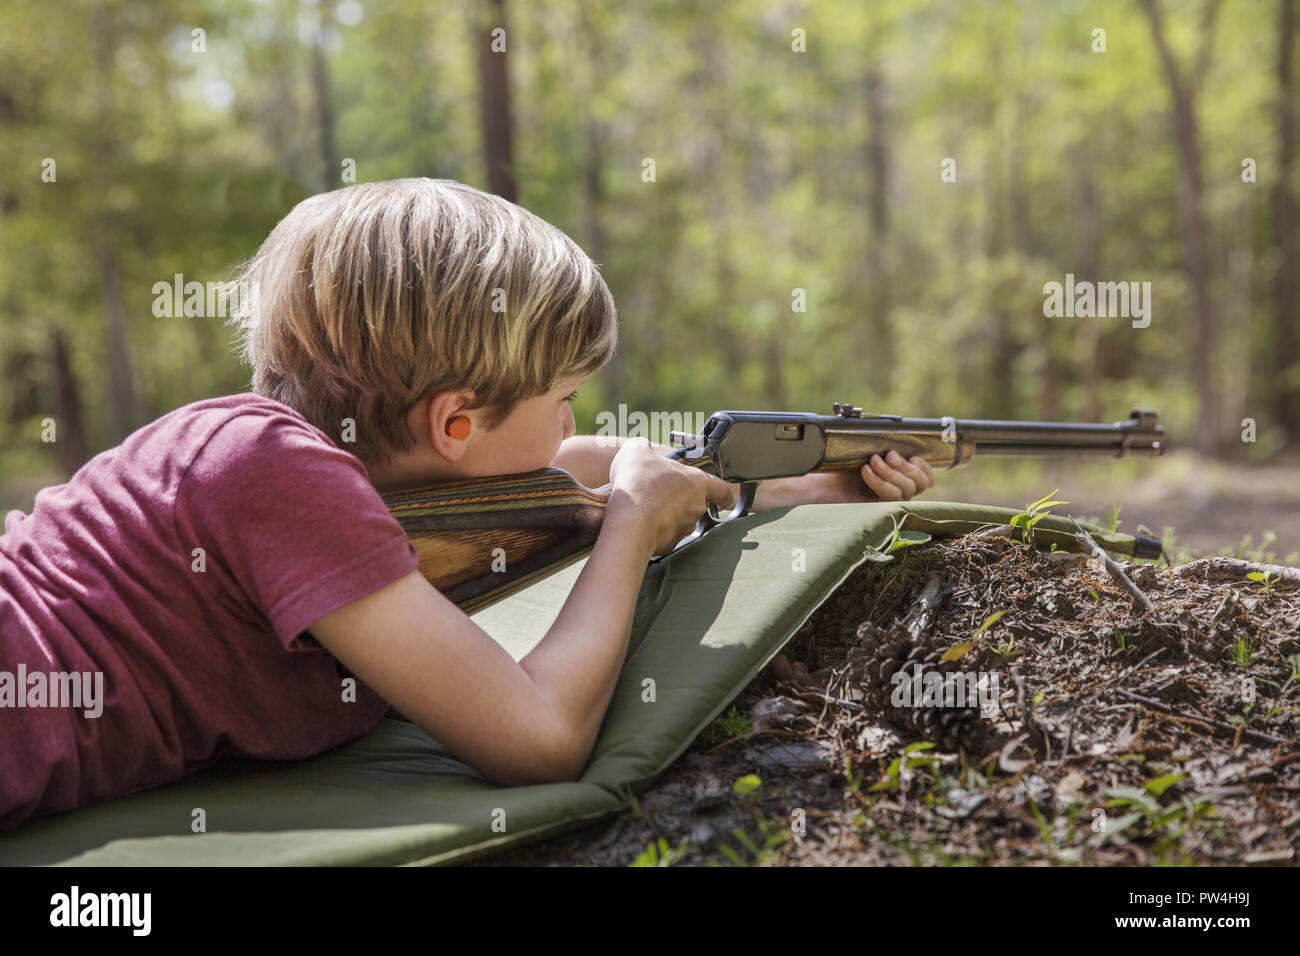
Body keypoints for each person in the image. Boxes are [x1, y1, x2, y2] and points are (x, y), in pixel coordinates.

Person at [0, 178, 934, 829]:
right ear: (456, 421)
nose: (576, 417)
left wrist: (824, 482)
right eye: (564, 393)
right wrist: (628, 531)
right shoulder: (271, 474)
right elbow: (537, 740)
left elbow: (581, 466)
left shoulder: (310, 462)